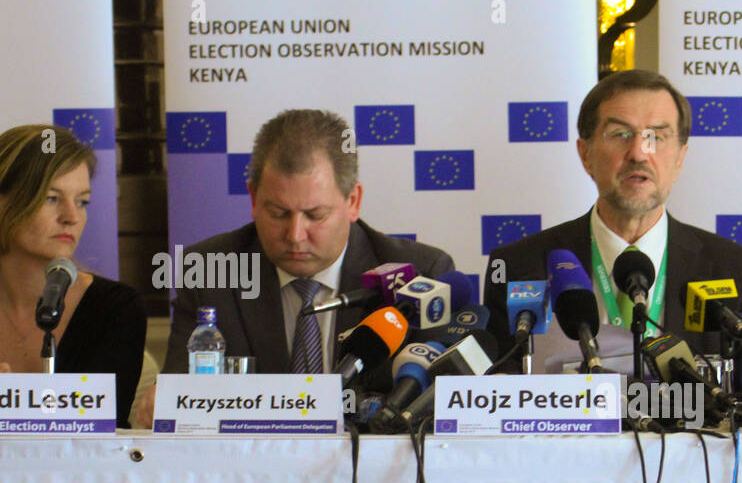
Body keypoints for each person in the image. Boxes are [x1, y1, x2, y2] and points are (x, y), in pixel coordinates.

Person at [485, 69, 742, 365]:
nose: (638, 153)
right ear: (586, 154)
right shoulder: (516, 267)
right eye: (620, 134)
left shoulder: (738, 270)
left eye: (656, 136)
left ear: (680, 157)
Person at [161, 109, 454, 375]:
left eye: (315, 215)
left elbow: (432, 412)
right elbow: (180, 401)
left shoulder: (421, 276)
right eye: (278, 213)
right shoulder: (211, 271)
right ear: (252, 198)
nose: (295, 234)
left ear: (353, 201)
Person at [0, 124, 146, 428]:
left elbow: (99, 430)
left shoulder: (115, 309)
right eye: (52, 198)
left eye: (82, 201)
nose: (72, 216)